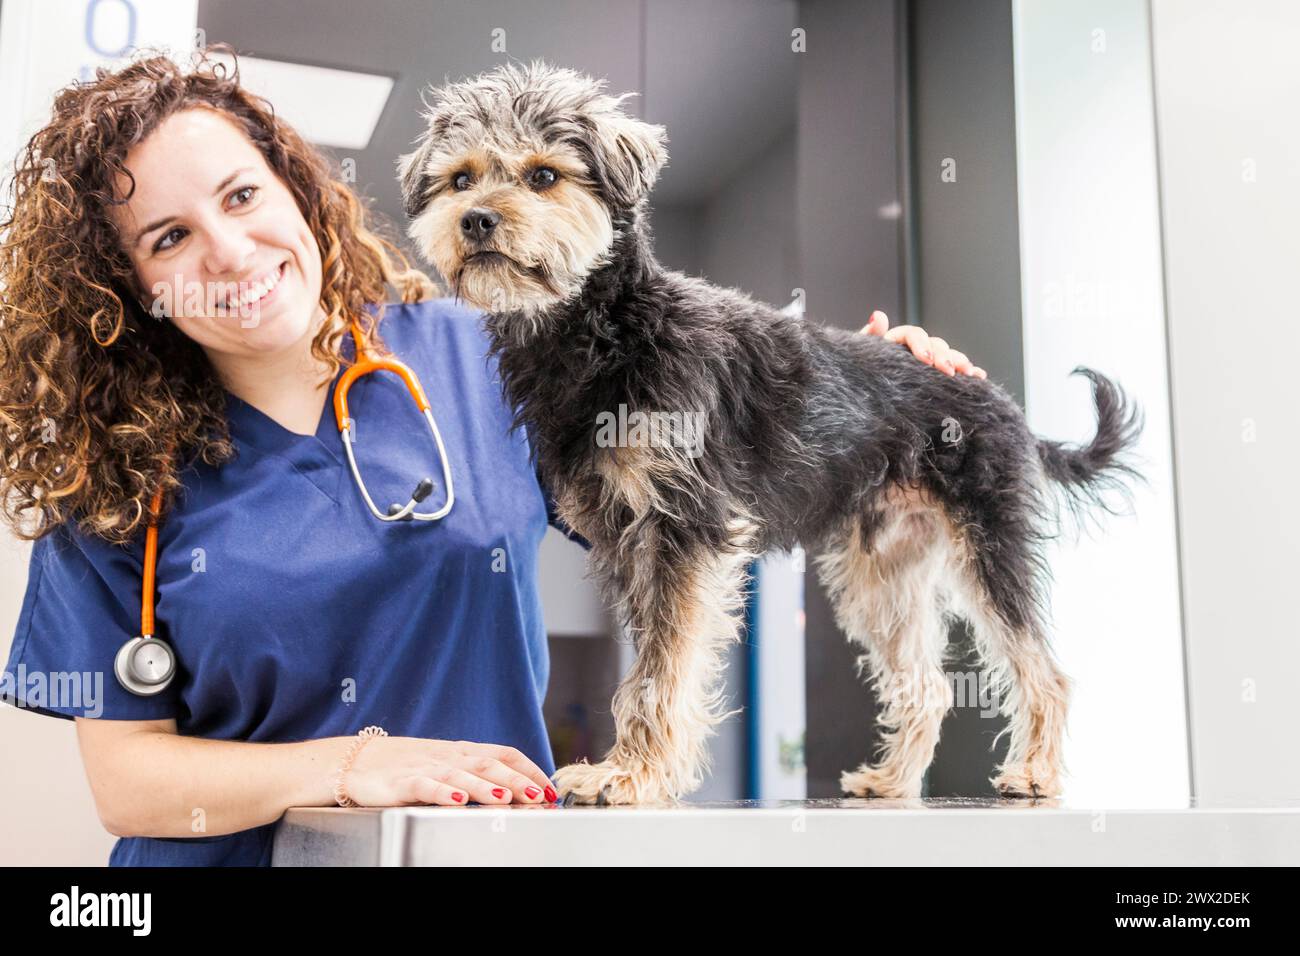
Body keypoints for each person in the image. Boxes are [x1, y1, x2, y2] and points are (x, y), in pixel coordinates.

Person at [0, 49, 985, 867]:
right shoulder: (116, 477)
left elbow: (678, 492)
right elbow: (129, 784)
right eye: (170, 236)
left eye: (242, 193)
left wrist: (875, 398)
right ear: (125, 285)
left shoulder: (487, 352)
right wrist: (344, 766)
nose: (229, 249)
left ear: (295, 190)